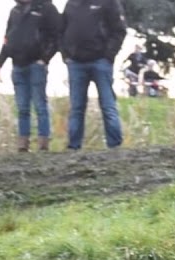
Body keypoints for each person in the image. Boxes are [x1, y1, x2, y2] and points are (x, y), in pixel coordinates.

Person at [0, 0, 62, 152]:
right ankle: (23, 144)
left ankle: (43, 143)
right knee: (22, 107)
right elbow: (7, 39)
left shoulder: (47, 8)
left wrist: (45, 59)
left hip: (36, 65)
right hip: (17, 65)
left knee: (39, 105)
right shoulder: (15, 11)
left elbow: (57, 36)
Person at [61, 0, 126, 150]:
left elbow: (119, 30)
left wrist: (109, 55)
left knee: (108, 105)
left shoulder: (109, 3)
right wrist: (66, 55)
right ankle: (73, 146)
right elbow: (62, 30)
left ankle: (115, 146)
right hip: (76, 63)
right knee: (76, 107)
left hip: (101, 62)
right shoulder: (71, 4)